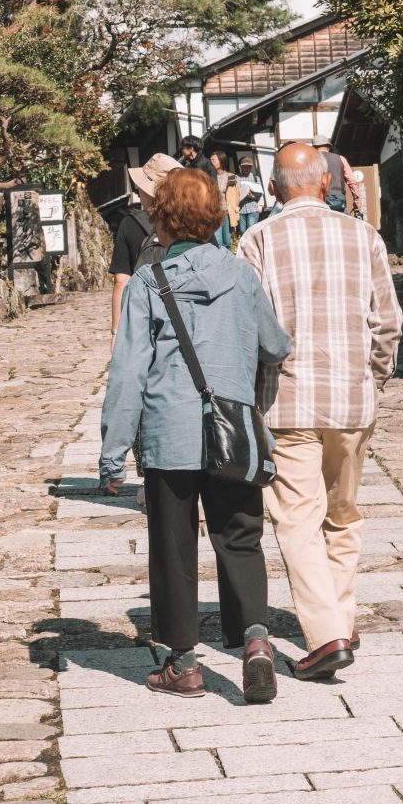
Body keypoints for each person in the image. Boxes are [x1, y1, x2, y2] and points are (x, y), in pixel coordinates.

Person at [100, 168, 292, 701]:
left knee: (174, 546)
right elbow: (275, 345)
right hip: (234, 429)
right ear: (216, 217)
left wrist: (113, 453)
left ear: (161, 216)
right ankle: (255, 642)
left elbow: (128, 373)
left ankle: (182, 665)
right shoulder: (241, 275)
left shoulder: (147, 283)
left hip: (169, 432)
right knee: (241, 537)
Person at [237, 142, 403, 682]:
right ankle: (341, 620)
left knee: (297, 521)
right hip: (353, 401)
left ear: (275, 189)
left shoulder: (257, 238)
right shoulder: (364, 236)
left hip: (288, 400)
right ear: (326, 184)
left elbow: (248, 328)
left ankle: (328, 634)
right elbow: (389, 322)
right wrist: (373, 379)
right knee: (343, 515)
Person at [112, 153, 181, 330]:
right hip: (183, 316)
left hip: (144, 315)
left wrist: (116, 331)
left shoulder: (130, 224)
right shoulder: (191, 224)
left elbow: (122, 281)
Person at [209, 150, 237, 250]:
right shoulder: (209, 177)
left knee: (227, 241)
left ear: (221, 160)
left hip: (227, 213)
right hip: (215, 214)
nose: (211, 162)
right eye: (210, 160)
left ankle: (228, 263)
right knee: (217, 242)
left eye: (214, 160)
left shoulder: (231, 176)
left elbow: (236, 196)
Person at [235, 155, 267, 236]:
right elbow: (233, 192)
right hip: (241, 208)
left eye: (248, 167)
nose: (246, 169)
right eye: (244, 167)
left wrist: (252, 196)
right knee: (242, 230)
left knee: (251, 229)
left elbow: (260, 192)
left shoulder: (256, 178)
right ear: (240, 167)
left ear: (251, 167)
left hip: (252, 207)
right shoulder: (236, 178)